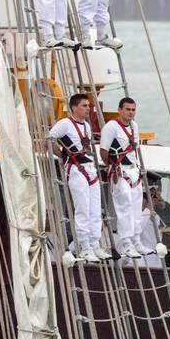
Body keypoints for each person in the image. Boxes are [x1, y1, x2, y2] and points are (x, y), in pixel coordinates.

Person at [49, 93, 107, 262]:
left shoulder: (86, 126)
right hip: (76, 169)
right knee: (82, 209)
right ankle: (84, 246)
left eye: (88, 106)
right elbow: (49, 140)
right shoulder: (65, 124)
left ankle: (95, 243)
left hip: (90, 169)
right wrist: (62, 156)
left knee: (95, 209)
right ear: (74, 107)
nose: (88, 108)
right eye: (84, 105)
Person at [100, 97, 142, 259]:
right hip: (120, 170)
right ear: (120, 110)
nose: (131, 112)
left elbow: (134, 149)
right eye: (127, 109)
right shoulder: (111, 127)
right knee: (124, 206)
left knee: (136, 206)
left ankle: (136, 240)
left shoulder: (134, 126)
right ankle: (126, 243)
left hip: (133, 170)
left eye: (133, 110)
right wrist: (112, 167)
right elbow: (104, 150)